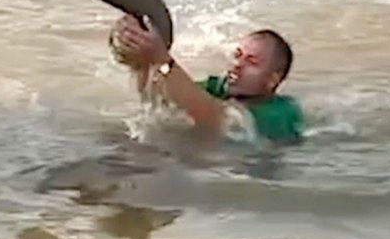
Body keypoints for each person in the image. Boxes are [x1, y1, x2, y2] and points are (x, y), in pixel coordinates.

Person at [109, 14, 304, 143]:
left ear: (272, 80)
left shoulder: (279, 113)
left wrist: (161, 58)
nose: (238, 65)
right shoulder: (217, 87)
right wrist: (139, 61)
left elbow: (215, 116)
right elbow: (163, 100)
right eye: (237, 55)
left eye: (251, 62)